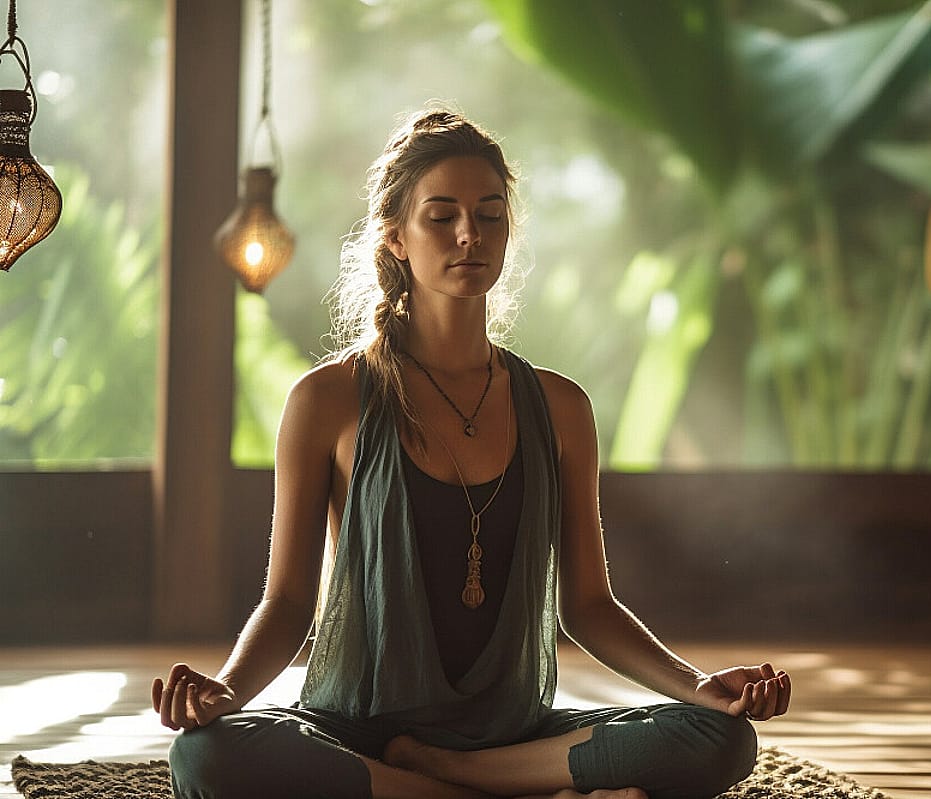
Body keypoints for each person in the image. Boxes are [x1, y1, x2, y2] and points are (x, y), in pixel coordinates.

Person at [153, 108, 790, 799]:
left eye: (489, 215)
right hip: (359, 730)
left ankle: (453, 779)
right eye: (442, 215)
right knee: (205, 758)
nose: (469, 235)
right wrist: (226, 688)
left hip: (510, 733)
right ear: (395, 237)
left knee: (720, 738)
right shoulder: (328, 401)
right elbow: (286, 602)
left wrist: (699, 686)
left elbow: (588, 605)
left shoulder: (560, 408)